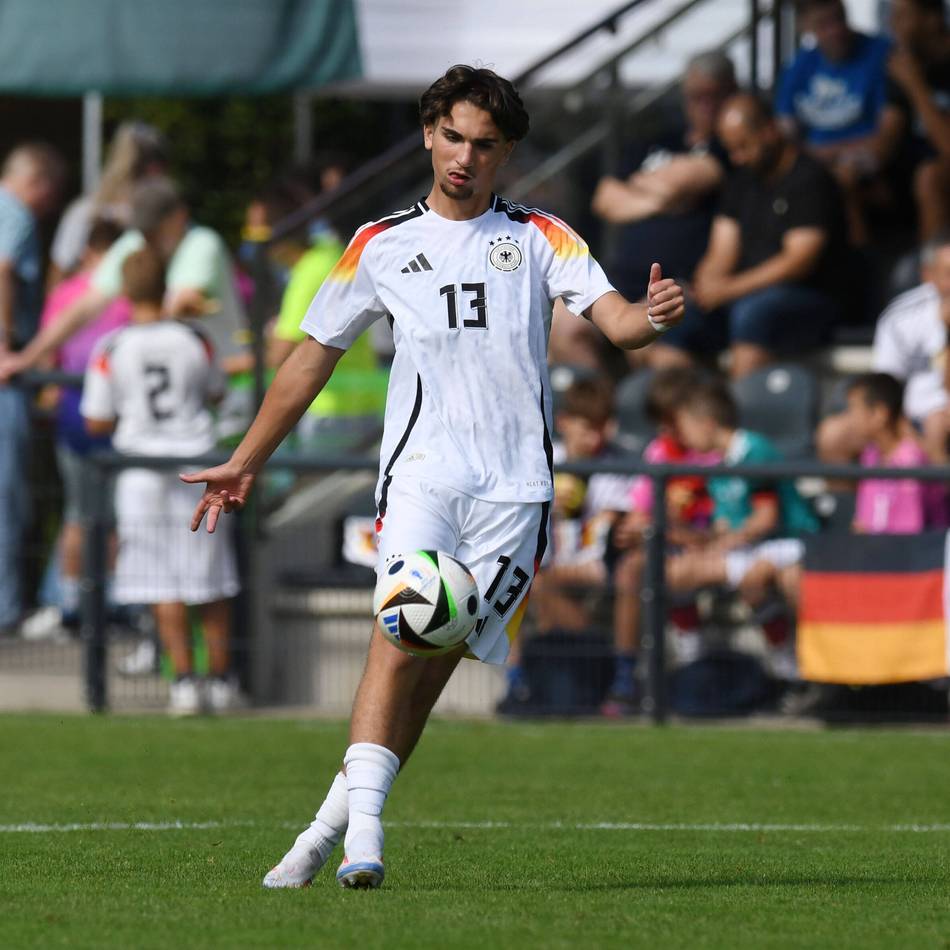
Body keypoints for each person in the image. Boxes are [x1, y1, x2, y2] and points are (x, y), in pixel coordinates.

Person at [181, 65, 685, 890]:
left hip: (516, 495)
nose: (464, 157)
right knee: (398, 636)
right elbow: (311, 359)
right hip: (422, 478)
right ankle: (363, 838)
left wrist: (653, 316)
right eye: (452, 136)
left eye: (485, 145)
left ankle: (316, 834)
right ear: (427, 133)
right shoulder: (379, 244)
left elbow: (619, 322)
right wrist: (246, 460)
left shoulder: (540, 236)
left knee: (428, 671)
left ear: (508, 151)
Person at [80, 247, 241, 715]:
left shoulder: (112, 345)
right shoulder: (194, 337)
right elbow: (216, 390)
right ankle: (222, 680)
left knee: (162, 579)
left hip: (141, 471)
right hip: (197, 464)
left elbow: (95, 418)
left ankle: (185, 683)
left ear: (125, 292)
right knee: (210, 577)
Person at [651, 93, 849, 379]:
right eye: (731, 150)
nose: (737, 158)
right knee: (676, 320)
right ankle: (696, 412)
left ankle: (740, 416)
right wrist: (706, 285)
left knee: (754, 314)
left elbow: (798, 261)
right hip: (746, 294)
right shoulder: (741, 182)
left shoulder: (810, 178)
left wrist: (728, 289)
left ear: (769, 131)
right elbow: (722, 251)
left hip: (811, 296)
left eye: (744, 147)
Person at [571, 51, 735, 370]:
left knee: (649, 342)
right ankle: (594, 413)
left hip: (678, 284)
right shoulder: (661, 140)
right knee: (565, 328)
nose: (704, 105)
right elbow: (605, 199)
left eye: (712, 96)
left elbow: (690, 179)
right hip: (620, 279)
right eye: (695, 96)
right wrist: (663, 199)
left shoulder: (729, 148)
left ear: (730, 93)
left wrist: (637, 189)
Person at [496, 376, 634, 713]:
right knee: (514, 577)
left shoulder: (617, 464)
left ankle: (615, 673)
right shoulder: (541, 458)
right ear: (565, 423)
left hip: (596, 567)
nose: (595, 436)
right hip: (547, 561)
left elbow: (613, 522)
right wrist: (548, 506)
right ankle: (519, 680)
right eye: (587, 426)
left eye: (602, 427)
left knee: (541, 583)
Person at [664, 378, 818, 675]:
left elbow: (766, 518)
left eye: (686, 426)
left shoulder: (754, 450)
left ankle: (791, 667)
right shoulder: (719, 465)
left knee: (753, 581)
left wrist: (725, 543)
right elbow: (726, 525)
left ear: (707, 423)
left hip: (787, 541)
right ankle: (691, 662)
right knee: (676, 572)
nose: (683, 436)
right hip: (751, 546)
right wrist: (696, 538)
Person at [20, 217, 127, 637]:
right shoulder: (123, 295)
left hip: (71, 413)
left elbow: (50, 355)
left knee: (79, 515)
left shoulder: (65, 293)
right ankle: (114, 608)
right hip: (112, 417)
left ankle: (68, 605)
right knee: (113, 519)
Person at [602, 367, 717, 713]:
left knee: (644, 566)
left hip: (705, 548)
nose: (666, 430)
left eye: (672, 421)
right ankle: (626, 674)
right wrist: (632, 527)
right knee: (630, 567)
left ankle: (691, 667)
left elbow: (712, 528)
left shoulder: (712, 454)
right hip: (665, 547)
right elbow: (641, 506)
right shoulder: (659, 451)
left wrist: (659, 525)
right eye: (661, 423)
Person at [262, 183, 387, 456]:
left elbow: (279, 353)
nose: (253, 244)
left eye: (255, 233)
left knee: (309, 496)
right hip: (359, 403)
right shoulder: (330, 255)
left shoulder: (308, 273)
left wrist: (227, 364)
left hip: (331, 410)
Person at [0, 143, 65, 634]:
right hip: (6, 377)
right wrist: (6, 346)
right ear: (39, 185)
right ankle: (5, 609)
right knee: (8, 496)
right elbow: (2, 269)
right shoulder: (16, 214)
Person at [817, 230, 950, 464]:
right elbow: (886, 390)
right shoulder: (901, 316)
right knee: (833, 436)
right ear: (928, 275)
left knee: (937, 424)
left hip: (941, 420)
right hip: (903, 418)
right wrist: (909, 439)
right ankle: (861, 501)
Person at [776, 0, 901, 245]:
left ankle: (861, 262)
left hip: (870, 166)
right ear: (806, 27)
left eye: (839, 19)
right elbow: (784, 135)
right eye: (823, 24)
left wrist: (817, 154)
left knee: (844, 176)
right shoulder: (799, 66)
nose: (835, 30)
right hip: (814, 166)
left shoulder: (880, 54)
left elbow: (885, 141)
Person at [49, 121, 169, 284]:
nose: (154, 170)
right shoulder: (87, 211)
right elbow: (59, 274)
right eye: (147, 160)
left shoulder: (165, 215)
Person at [846, 372, 947, 532]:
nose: (849, 417)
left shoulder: (911, 462)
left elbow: (909, 533)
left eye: (854, 408)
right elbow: (864, 522)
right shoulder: (870, 455)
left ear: (879, 413)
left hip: (911, 552)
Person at [886, 0, 950, 241]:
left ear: (932, 20)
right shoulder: (902, 62)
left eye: (902, 16)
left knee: (929, 177)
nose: (893, 25)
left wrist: (916, 87)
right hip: (903, 176)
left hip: (936, 173)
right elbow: (885, 136)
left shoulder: (910, 73)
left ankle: (932, 275)